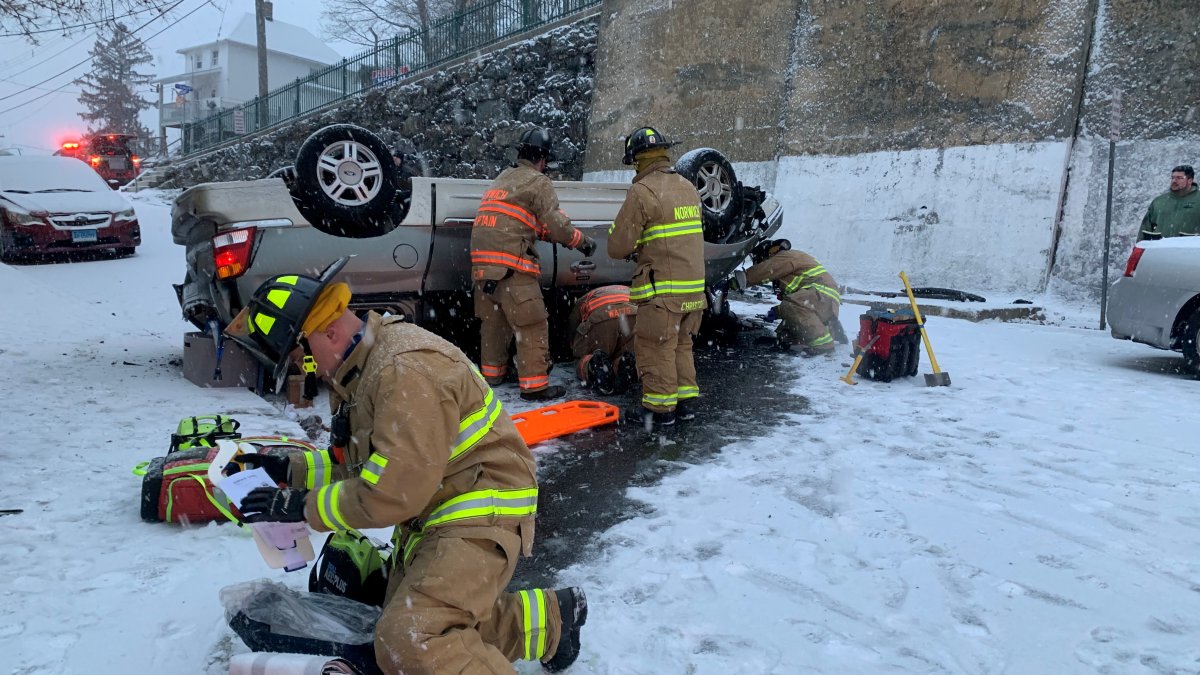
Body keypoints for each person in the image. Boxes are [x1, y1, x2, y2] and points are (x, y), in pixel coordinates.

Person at [223, 257, 587, 675]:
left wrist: (301, 507)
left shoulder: (403, 370)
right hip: (438, 510)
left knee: (410, 639)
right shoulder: (358, 371)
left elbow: (391, 492)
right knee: (418, 621)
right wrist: (285, 472)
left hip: (482, 510)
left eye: (299, 357)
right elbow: (362, 467)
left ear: (327, 331)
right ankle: (553, 619)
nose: (304, 371)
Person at [470, 127, 597, 400]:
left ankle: (493, 375)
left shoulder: (502, 180)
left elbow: (517, 221)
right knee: (532, 324)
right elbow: (557, 225)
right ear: (542, 160)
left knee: (495, 325)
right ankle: (535, 386)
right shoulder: (538, 182)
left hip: (483, 270)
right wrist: (582, 242)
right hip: (512, 267)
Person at [607, 127, 706, 427]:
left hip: (663, 291)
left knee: (655, 346)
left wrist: (634, 244)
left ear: (637, 159)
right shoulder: (688, 187)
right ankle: (686, 402)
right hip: (694, 292)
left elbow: (617, 245)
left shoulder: (643, 192)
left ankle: (660, 411)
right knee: (680, 345)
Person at [730, 239, 842, 356]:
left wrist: (740, 280)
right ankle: (830, 328)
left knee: (789, 306)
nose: (759, 261)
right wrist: (777, 312)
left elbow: (766, 270)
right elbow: (796, 309)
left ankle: (823, 344)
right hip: (821, 300)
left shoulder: (785, 256)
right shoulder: (791, 262)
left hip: (821, 293)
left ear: (768, 252)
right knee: (785, 333)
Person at [568, 285, 638, 395]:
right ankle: (624, 364)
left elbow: (573, 322)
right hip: (633, 316)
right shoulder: (629, 289)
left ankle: (594, 366)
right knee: (626, 351)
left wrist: (574, 344)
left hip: (600, 318)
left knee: (582, 358)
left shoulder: (586, 297)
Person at [1138, 164, 1200, 241]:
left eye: (1179, 178)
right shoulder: (1159, 201)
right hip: (1161, 250)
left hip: (1191, 250)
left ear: (1190, 180)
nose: (1174, 181)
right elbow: (1145, 229)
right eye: (1172, 178)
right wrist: (1139, 248)